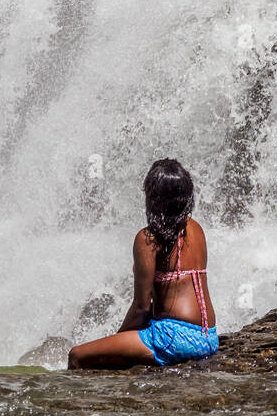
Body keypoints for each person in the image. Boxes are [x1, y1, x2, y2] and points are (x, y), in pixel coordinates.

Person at [67, 158, 218, 369]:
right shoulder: (196, 229)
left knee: (76, 356)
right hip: (208, 337)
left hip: (173, 339)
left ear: (153, 199)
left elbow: (141, 307)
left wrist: (117, 339)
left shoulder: (148, 239)